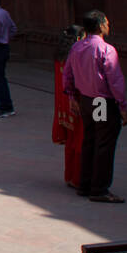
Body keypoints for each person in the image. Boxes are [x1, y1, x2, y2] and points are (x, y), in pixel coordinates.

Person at [63, 10, 127, 203]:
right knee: (103, 143)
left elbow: (67, 74)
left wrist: (71, 97)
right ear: (100, 26)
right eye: (106, 22)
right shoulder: (106, 50)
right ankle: (99, 188)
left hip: (86, 100)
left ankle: (85, 184)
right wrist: (122, 106)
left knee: (90, 140)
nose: (108, 25)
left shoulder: (76, 47)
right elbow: (115, 82)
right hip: (100, 101)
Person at [53, 24, 85, 187]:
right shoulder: (77, 57)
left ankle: (71, 176)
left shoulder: (60, 57)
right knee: (81, 140)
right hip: (79, 104)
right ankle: (79, 178)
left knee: (72, 142)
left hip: (64, 105)